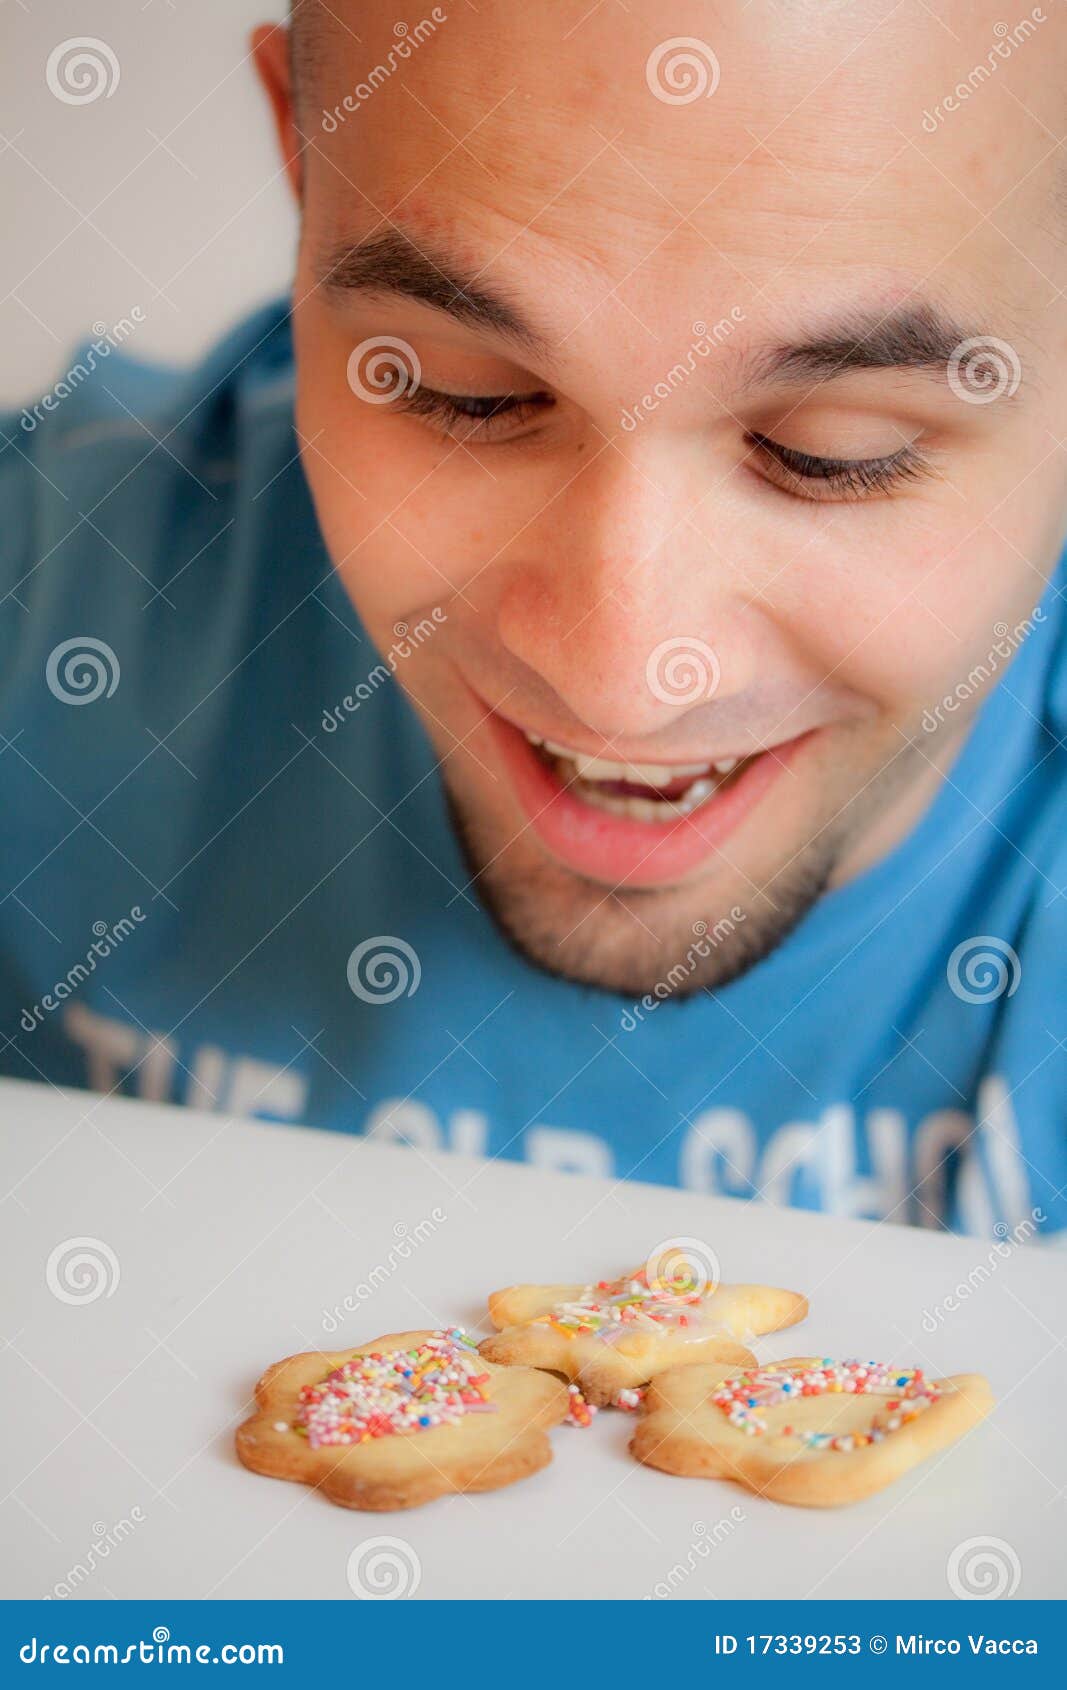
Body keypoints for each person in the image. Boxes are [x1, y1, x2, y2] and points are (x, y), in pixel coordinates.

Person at [2, 0, 1064, 1236]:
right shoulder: (42, 610)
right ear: (301, 147)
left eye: (834, 451)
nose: (620, 680)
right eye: (467, 395)